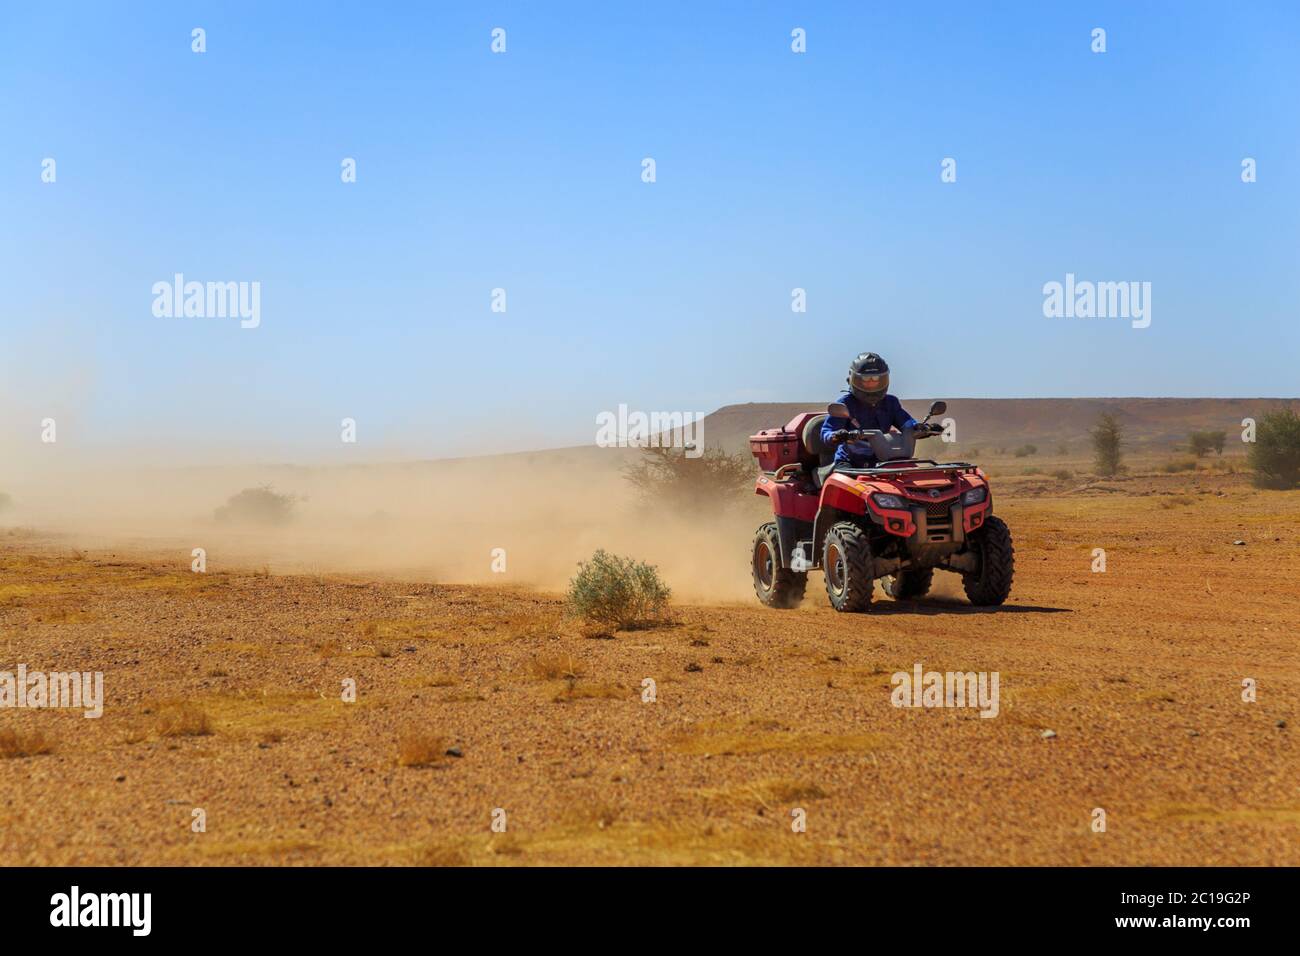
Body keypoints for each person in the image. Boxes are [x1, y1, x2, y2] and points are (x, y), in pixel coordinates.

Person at [821, 352, 923, 467]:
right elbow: (826, 432)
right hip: (850, 461)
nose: (871, 383)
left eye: (876, 379)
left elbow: (906, 422)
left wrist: (919, 427)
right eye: (866, 379)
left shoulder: (890, 402)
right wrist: (837, 435)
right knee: (848, 483)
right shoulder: (845, 403)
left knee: (913, 477)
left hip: (883, 458)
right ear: (853, 379)